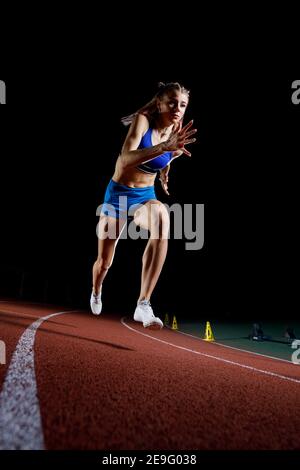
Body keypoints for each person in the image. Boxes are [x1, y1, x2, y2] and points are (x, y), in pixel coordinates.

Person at [90, 82, 197, 329]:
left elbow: (169, 155)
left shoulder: (176, 132)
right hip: (117, 197)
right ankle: (96, 289)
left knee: (163, 218)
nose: (177, 108)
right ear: (159, 103)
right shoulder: (143, 121)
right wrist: (163, 148)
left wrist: (165, 170)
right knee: (104, 263)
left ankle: (143, 303)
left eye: (182, 104)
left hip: (143, 197)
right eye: (171, 102)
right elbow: (126, 159)